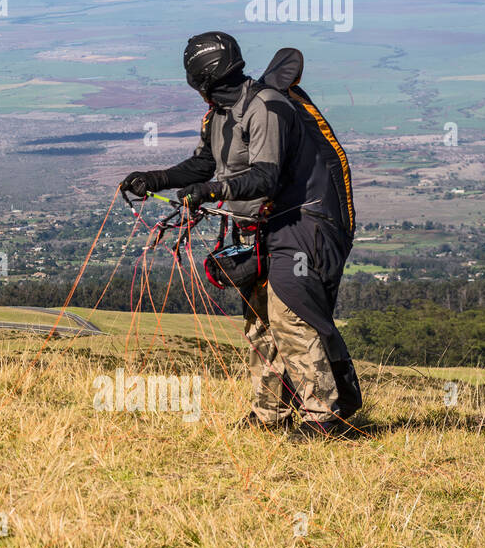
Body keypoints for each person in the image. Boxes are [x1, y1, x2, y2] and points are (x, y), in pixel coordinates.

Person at [119, 31, 362, 437]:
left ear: (202, 82)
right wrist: (153, 179)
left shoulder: (266, 108)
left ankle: (325, 417)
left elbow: (265, 176)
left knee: (290, 315)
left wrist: (212, 192)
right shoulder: (219, 115)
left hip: (306, 221)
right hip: (266, 226)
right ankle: (269, 415)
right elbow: (202, 166)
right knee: (259, 320)